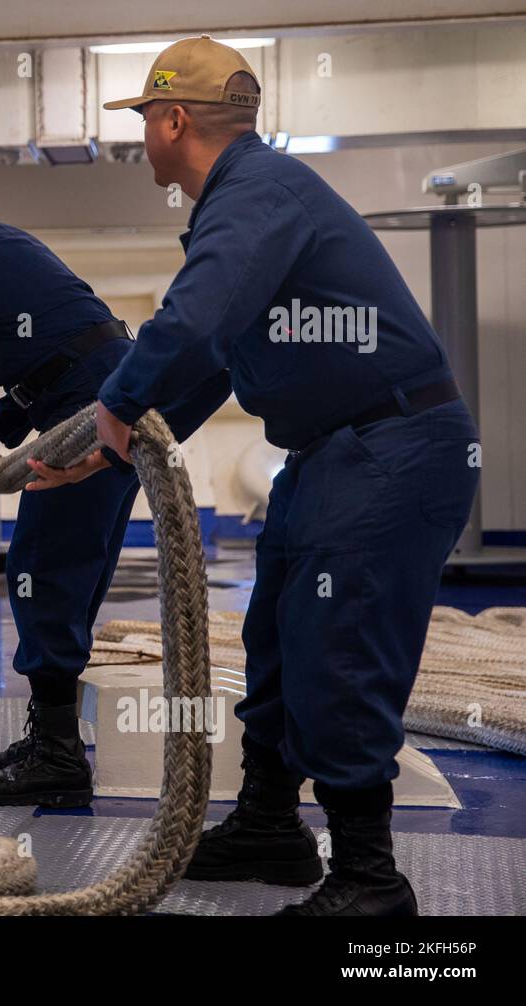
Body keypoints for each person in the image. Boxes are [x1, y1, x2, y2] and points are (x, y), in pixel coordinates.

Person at [40, 35, 479, 915]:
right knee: (280, 643)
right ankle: (273, 829)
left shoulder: (255, 193)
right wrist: (117, 444)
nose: (143, 142)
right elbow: (217, 362)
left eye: (144, 125)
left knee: (338, 653)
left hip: (390, 450)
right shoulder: (246, 200)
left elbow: (190, 321)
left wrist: (116, 408)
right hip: (333, 452)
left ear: (172, 120)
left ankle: (369, 880)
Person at [0, 138, 226, 807]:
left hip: (89, 408)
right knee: (72, 567)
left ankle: (58, 755)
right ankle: (52, 736)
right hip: (110, 392)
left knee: (43, 566)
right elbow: (62, 350)